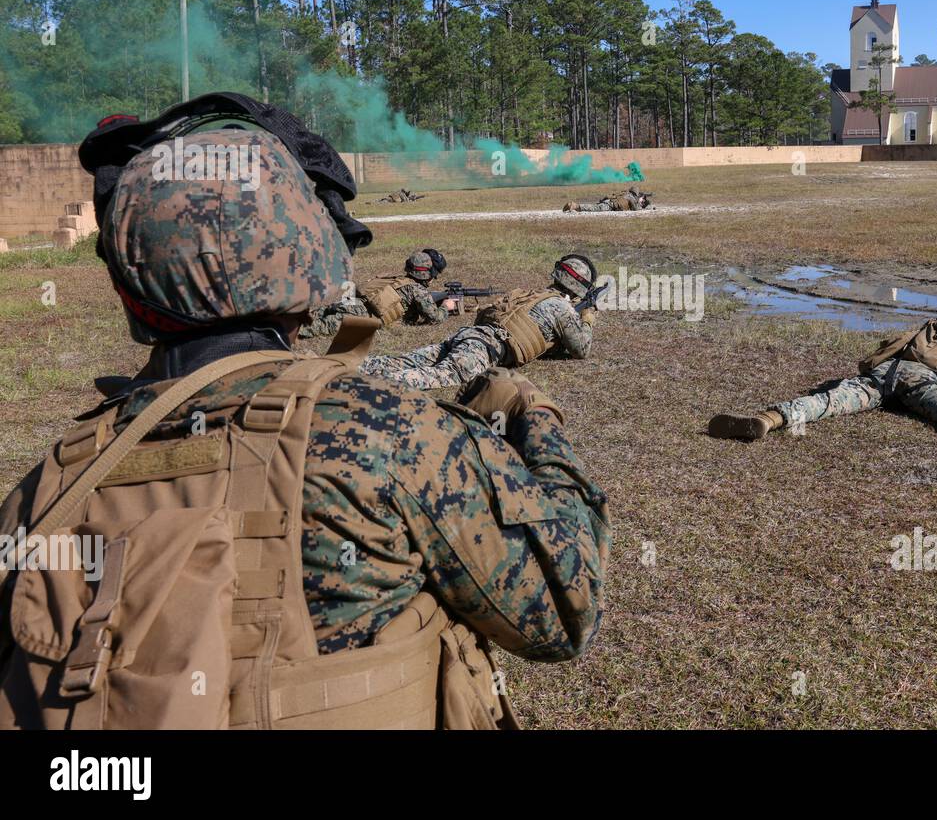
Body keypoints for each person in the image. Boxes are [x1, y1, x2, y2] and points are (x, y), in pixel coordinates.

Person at [0, 99, 609, 730]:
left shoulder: (58, 477)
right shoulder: (385, 431)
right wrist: (535, 415)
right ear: (300, 246)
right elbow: (567, 606)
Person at [708, 295, 937, 469]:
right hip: (924, 384)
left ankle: (770, 419)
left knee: (831, 400)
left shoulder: (930, 325)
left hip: (883, 374)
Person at [360, 255, 598, 390]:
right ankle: (361, 383)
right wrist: (587, 318)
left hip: (468, 335)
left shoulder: (531, 294)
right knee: (436, 376)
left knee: (406, 360)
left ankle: (351, 364)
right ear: (579, 287)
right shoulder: (562, 308)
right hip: (485, 349)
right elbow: (581, 349)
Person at [300, 248, 455, 339]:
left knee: (317, 313)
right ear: (427, 273)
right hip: (360, 317)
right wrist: (446, 308)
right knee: (318, 327)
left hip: (348, 302)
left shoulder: (395, 278)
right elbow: (435, 318)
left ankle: (286, 320)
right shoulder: (418, 290)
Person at [563, 186, 652, 212]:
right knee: (593, 208)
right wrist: (644, 206)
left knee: (594, 207)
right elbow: (635, 208)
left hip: (608, 202)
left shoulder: (625, 193)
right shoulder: (631, 197)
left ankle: (575, 206)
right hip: (610, 205)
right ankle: (574, 206)